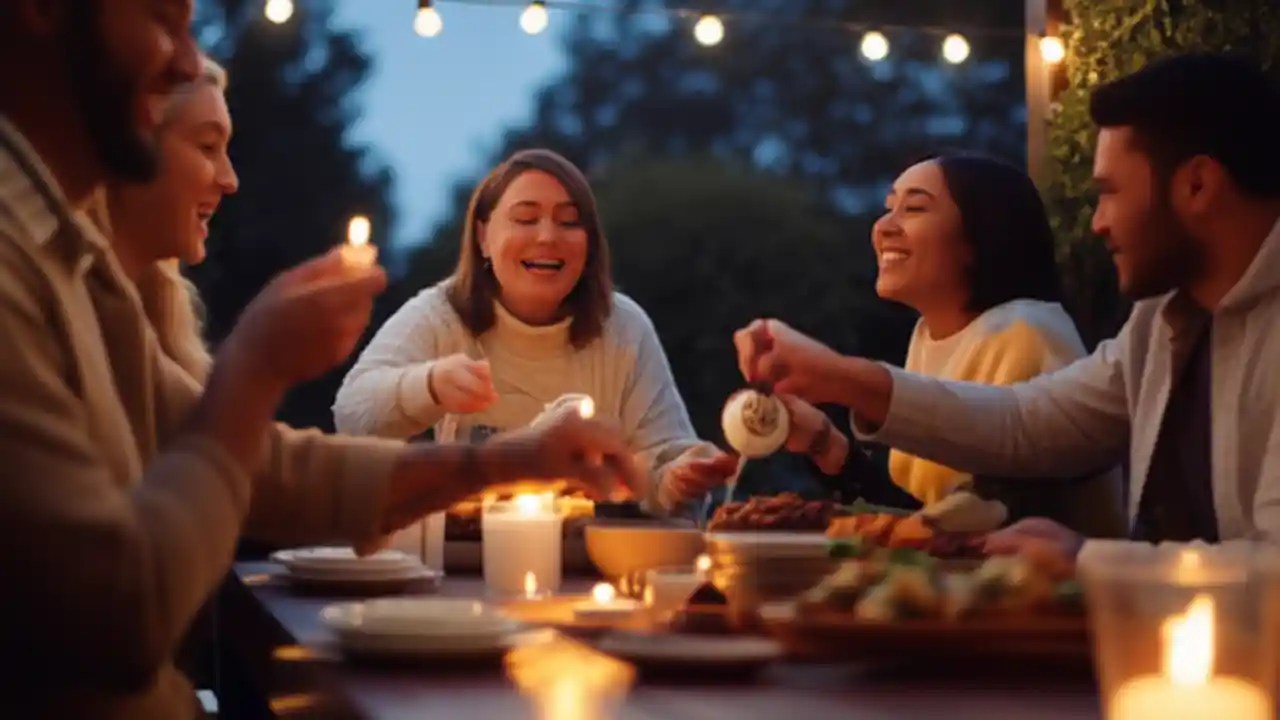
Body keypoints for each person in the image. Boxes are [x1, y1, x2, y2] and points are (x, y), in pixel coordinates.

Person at [0, 3, 638, 717]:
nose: (184, 60)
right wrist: (254, 368)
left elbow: (270, 468)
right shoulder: (14, 269)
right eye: (160, 18)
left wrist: (512, 463)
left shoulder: (67, 263)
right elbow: (110, 626)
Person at [734, 53, 1280, 566]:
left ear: (1198, 185)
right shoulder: (1163, 321)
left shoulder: (1032, 330)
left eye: (1110, 193)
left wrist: (1086, 560)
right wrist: (837, 379)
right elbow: (1026, 423)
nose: (1097, 223)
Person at [335, 148, 738, 514]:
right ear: (483, 237)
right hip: (466, 564)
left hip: (589, 569)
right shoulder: (441, 315)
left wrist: (679, 479)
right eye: (525, 219)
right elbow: (353, 415)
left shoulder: (623, 328)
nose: (547, 237)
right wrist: (428, 386)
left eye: (568, 222)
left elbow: (662, 461)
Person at [768, 154, 1123, 536]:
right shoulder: (928, 333)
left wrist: (839, 376)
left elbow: (989, 518)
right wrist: (827, 447)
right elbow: (930, 517)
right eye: (889, 208)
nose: (884, 226)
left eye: (914, 208)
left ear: (981, 235)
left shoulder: (1026, 331)